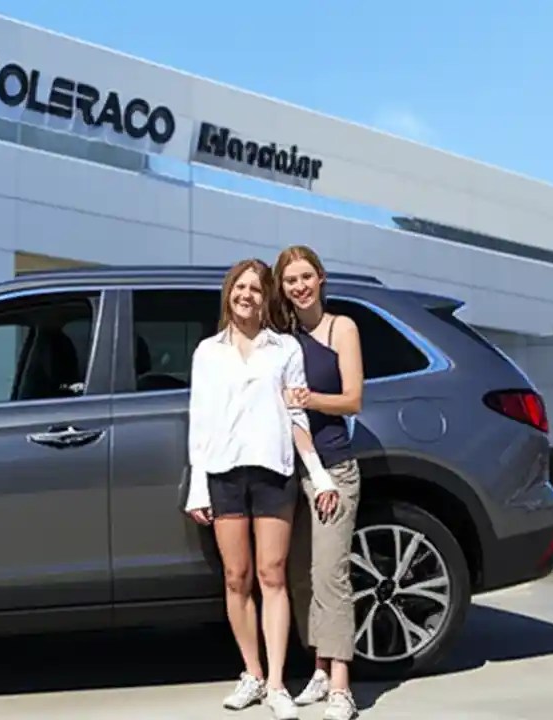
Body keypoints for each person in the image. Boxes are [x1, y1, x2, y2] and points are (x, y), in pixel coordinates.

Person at [185, 258, 340, 719]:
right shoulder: (208, 352)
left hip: (274, 472)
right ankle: (251, 674)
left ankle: (276, 684)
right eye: (240, 287)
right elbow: (200, 421)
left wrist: (319, 473)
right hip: (224, 473)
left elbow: (296, 414)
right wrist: (198, 487)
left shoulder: (284, 348)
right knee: (237, 577)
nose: (246, 295)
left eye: (255, 288)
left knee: (272, 576)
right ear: (229, 293)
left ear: (265, 297)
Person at [274, 244, 364, 720]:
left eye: (306, 276)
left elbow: (352, 400)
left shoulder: (340, 328)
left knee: (331, 575)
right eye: (291, 280)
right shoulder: (283, 338)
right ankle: (321, 670)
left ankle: (342, 689)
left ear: (321, 278)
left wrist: (309, 399)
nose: (300, 286)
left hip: (335, 468)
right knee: (301, 576)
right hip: (293, 470)